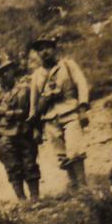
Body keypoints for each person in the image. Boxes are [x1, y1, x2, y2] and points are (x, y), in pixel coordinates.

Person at [28, 36, 91, 188]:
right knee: (61, 156)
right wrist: (35, 126)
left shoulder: (68, 65)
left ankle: (83, 185)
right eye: (40, 49)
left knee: (75, 150)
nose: (44, 52)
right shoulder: (36, 75)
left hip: (70, 113)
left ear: (54, 49)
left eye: (47, 47)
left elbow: (81, 84)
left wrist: (83, 108)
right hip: (50, 120)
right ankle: (73, 184)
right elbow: (33, 104)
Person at [0, 54, 40, 201]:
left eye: (8, 70)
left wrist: (37, 128)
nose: (6, 74)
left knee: (30, 163)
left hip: (25, 132)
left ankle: (35, 197)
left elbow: (34, 109)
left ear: (13, 71)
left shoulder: (25, 89)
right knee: (12, 167)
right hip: (5, 135)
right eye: (2, 72)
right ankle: (21, 198)